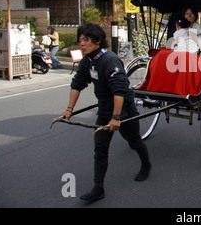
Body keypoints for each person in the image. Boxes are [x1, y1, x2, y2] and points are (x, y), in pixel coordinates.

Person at [60, 23, 151, 202]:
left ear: (97, 41)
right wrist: (69, 110)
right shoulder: (87, 60)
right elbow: (77, 83)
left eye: (85, 40)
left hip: (124, 109)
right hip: (104, 109)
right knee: (100, 147)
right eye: (80, 40)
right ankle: (98, 188)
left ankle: (146, 165)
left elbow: (119, 90)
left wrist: (116, 117)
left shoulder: (110, 60)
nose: (82, 44)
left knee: (134, 142)